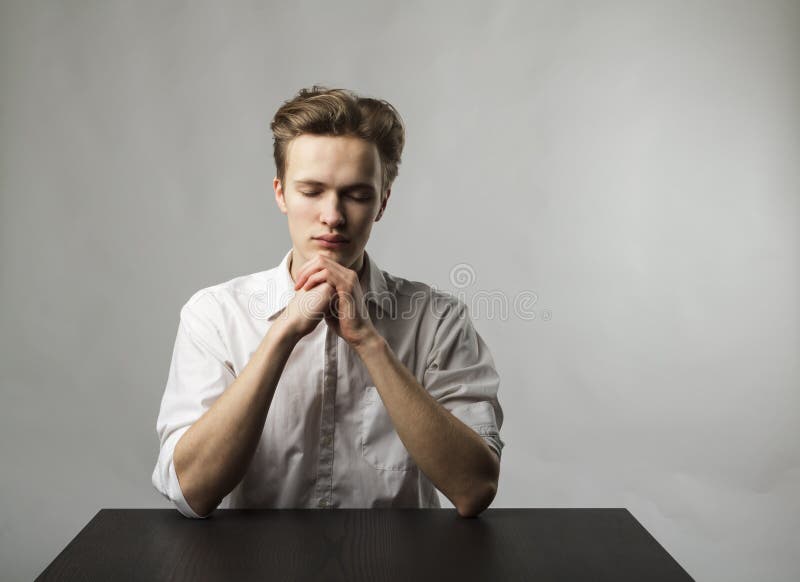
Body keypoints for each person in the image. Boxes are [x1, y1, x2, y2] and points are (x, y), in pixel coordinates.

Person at [151, 86, 505, 519]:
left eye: (356, 194)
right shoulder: (214, 315)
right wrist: (282, 332)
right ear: (281, 194)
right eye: (312, 191)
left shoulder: (438, 320)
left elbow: (475, 488)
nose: (333, 216)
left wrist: (370, 343)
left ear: (382, 203)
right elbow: (193, 493)